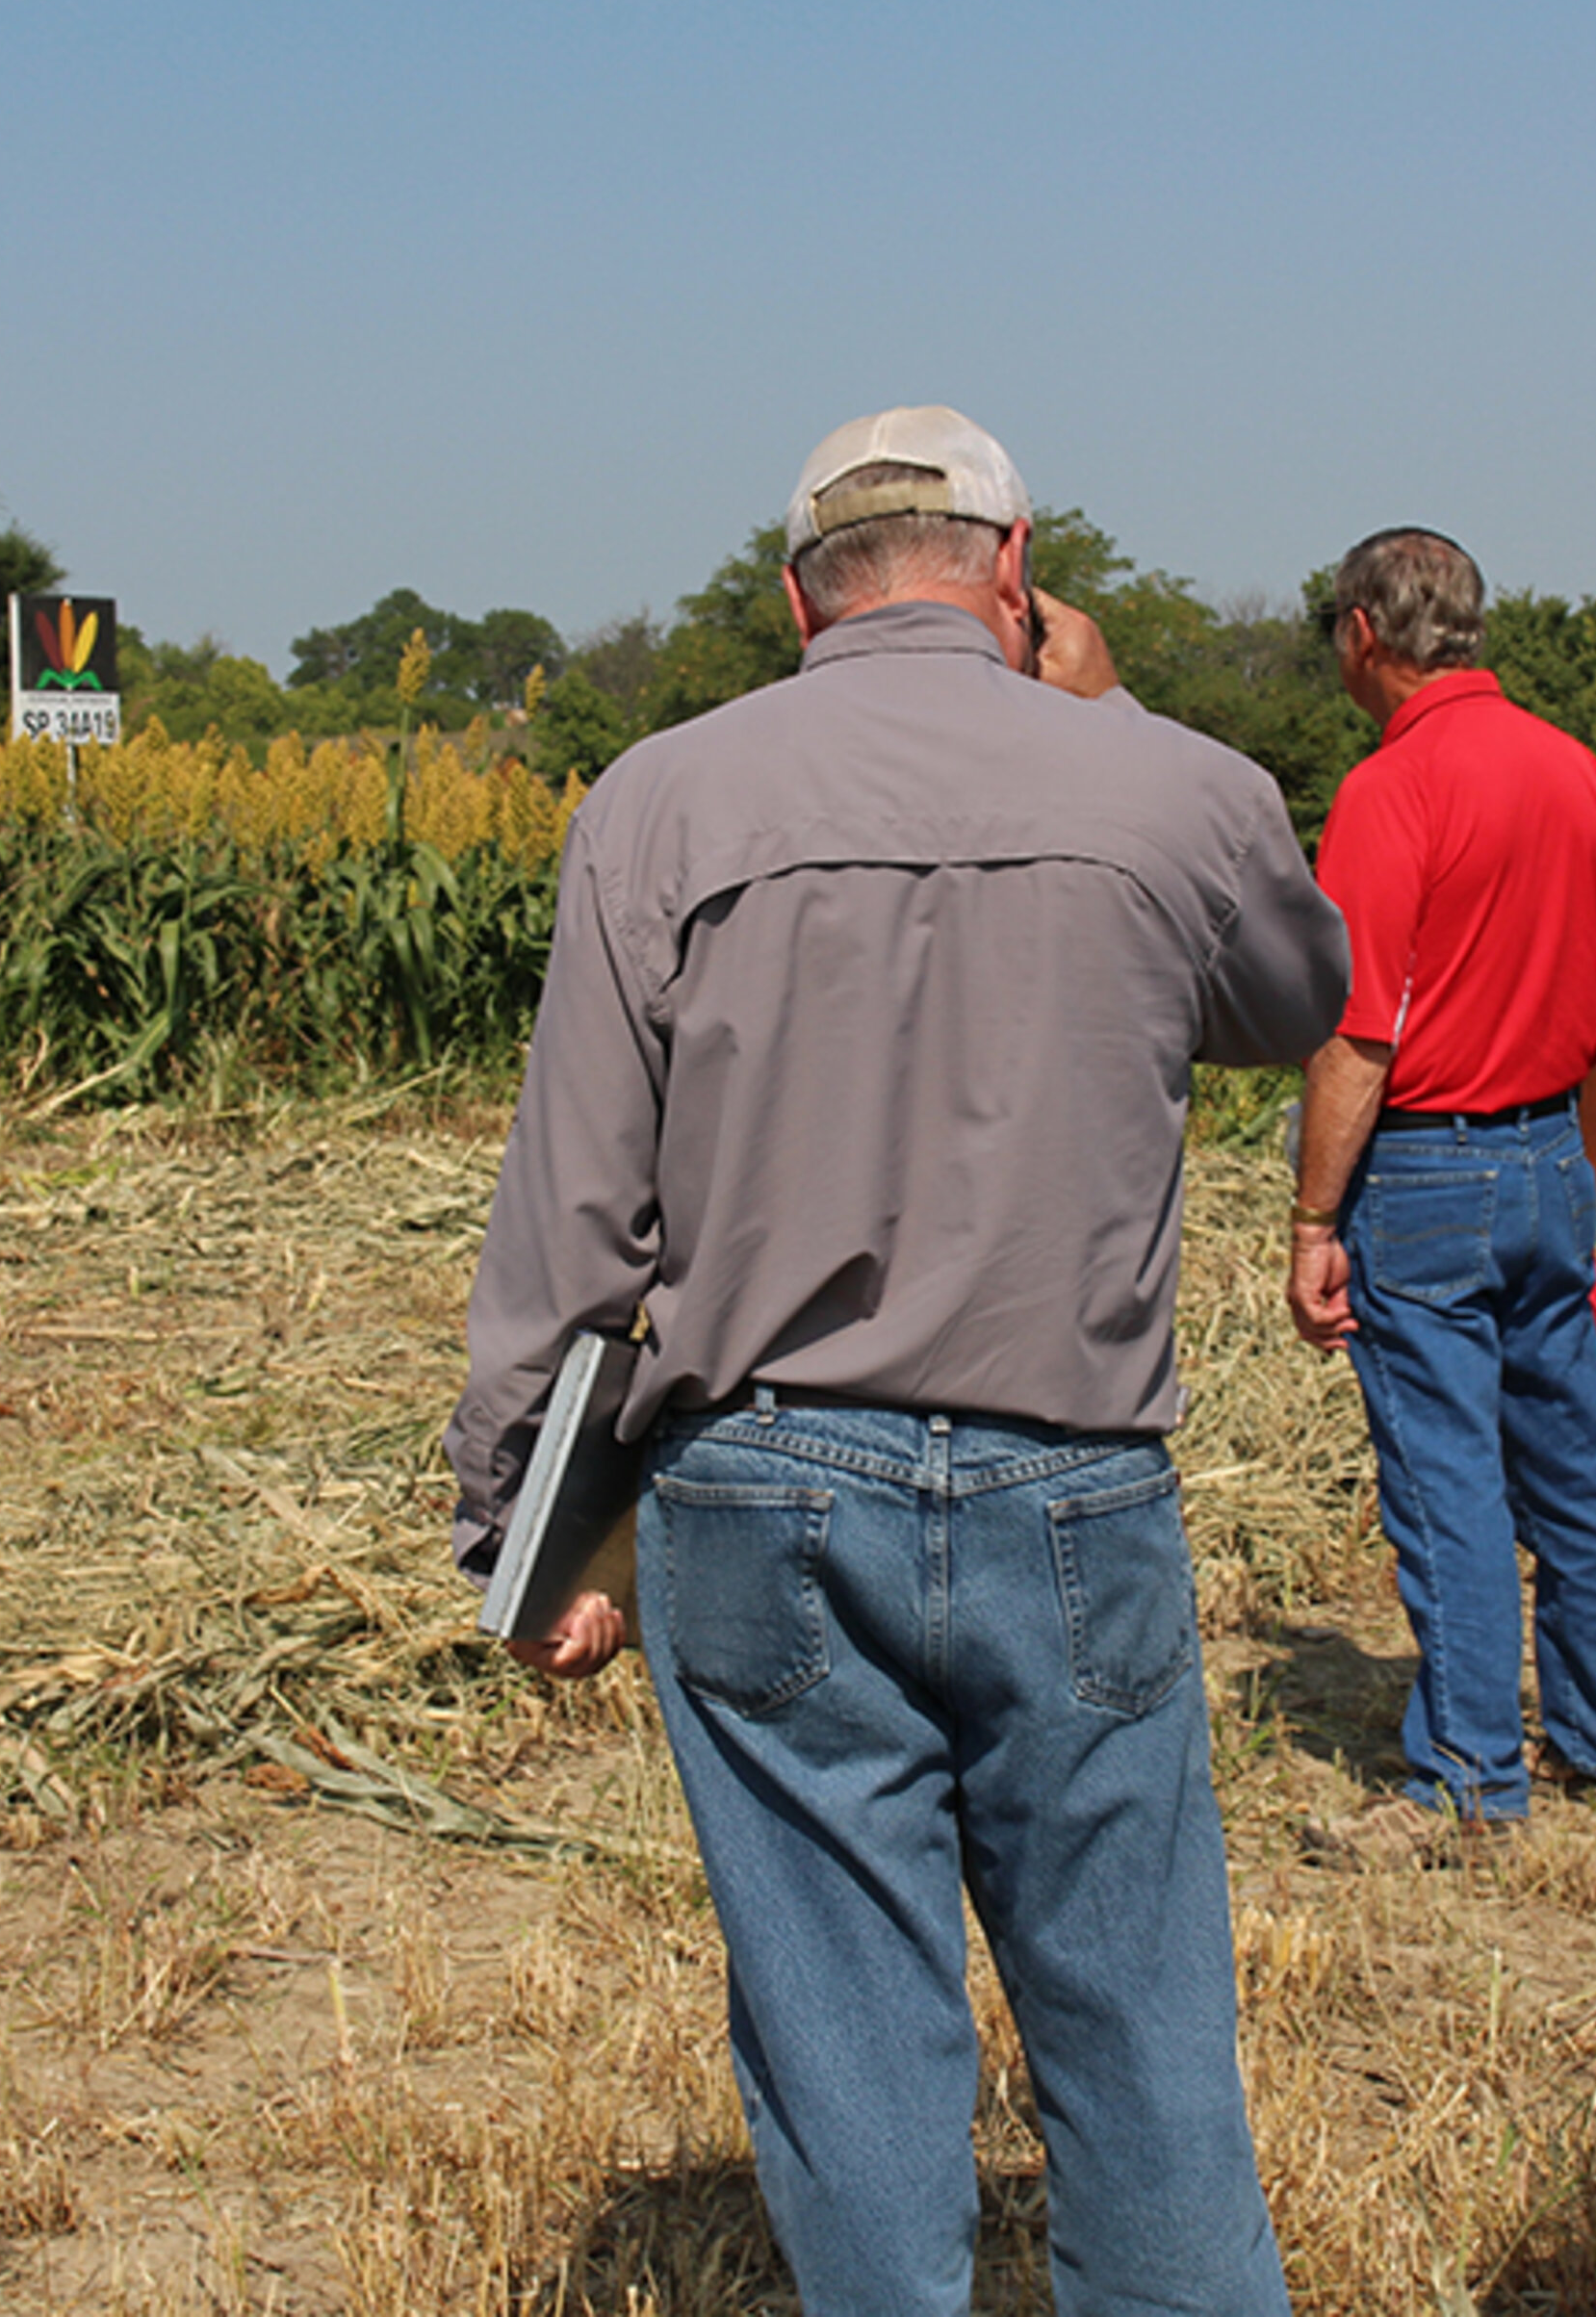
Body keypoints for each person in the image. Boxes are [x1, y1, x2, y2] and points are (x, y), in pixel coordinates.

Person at [444, 406, 1344, 2314]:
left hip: (760, 1478)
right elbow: (1298, 994)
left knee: (847, 2041)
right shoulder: (1165, 789)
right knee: (1138, 2030)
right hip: (1075, 1473)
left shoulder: (661, 801)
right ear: (1017, 574)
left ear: (795, 599)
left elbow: (576, 1208)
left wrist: (521, 1522)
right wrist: (1101, 721)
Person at [1285, 528, 1596, 1847]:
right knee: (1572, 1457)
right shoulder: (1572, 768)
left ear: (1362, 636)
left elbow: (1357, 1034)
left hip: (1426, 1167)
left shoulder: (1390, 791)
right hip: (1552, 1151)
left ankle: (1466, 1775)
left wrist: (1313, 1219)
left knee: (1445, 1475)